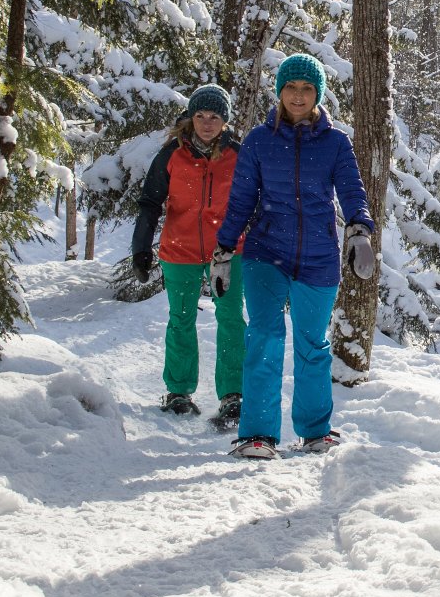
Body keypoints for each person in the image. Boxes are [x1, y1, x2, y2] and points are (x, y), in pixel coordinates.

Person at [213, 53, 377, 459]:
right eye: (291, 87)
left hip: (319, 256)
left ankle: (314, 430)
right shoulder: (258, 141)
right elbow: (240, 201)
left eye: (307, 88)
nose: (298, 96)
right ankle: (257, 435)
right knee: (265, 337)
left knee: (312, 344)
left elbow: (352, 189)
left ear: (318, 94)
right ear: (279, 91)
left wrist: (359, 229)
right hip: (266, 253)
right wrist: (222, 250)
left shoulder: (336, 142)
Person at [132, 84, 246, 422]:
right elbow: (150, 202)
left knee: (230, 320)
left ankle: (233, 394)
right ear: (191, 118)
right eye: (200, 116)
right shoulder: (172, 154)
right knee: (181, 318)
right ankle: (179, 392)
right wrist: (141, 248)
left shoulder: (238, 156)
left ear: (224, 120)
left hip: (227, 252)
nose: (207, 123)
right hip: (179, 250)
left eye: (214, 117)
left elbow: (253, 204)